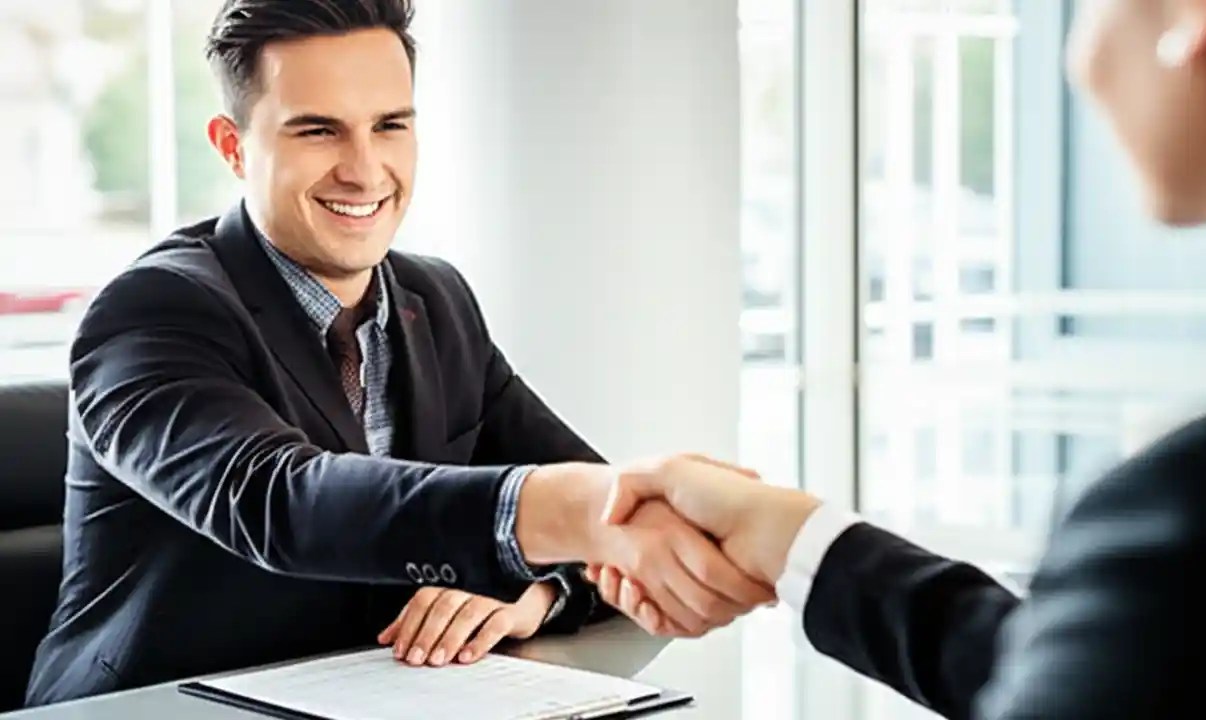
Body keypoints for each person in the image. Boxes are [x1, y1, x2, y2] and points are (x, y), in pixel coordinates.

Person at [24, 0, 770, 706]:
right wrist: (570, 511)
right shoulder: (151, 311)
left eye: (390, 126)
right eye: (318, 131)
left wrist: (527, 592)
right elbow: (281, 501)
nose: (365, 168)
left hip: (386, 699)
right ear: (232, 146)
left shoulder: (434, 301)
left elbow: (594, 526)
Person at [590, 0, 1206, 717]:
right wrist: (794, 538)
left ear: (1198, 14)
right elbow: (1110, 667)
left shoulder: (1198, 516)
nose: (1082, 61)